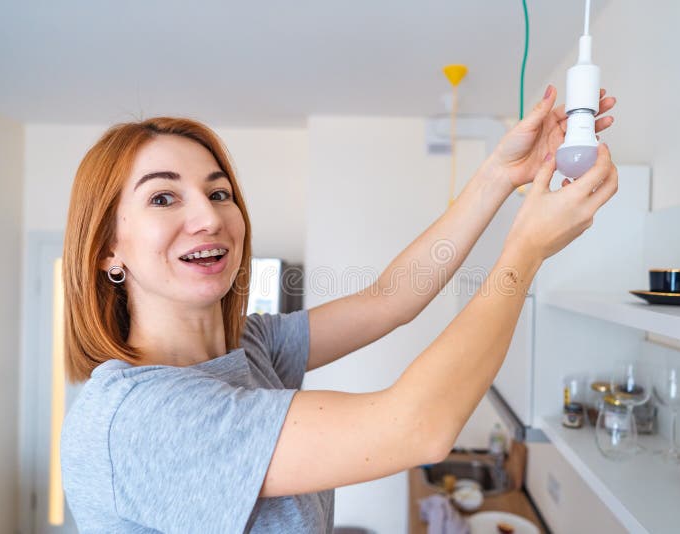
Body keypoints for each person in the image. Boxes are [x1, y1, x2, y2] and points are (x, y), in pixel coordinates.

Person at [60, 84, 617, 533]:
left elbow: (389, 299)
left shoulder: (249, 347)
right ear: (108, 246)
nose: (208, 217)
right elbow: (416, 426)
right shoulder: (137, 417)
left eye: (220, 192)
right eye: (163, 197)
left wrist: (499, 175)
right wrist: (525, 252)